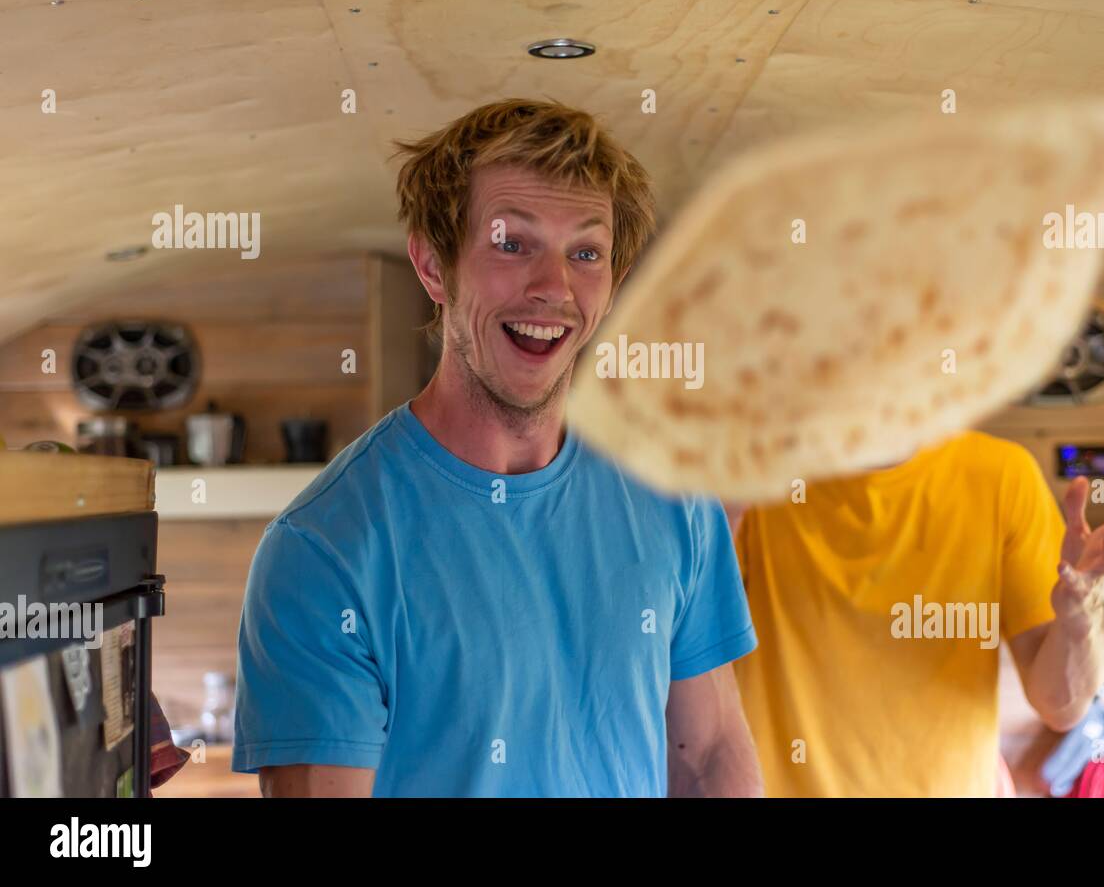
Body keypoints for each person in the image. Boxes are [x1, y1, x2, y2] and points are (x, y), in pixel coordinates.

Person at [233, 98, 761, 797]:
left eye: (586, 253)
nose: (554, 288)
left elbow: (709, 753)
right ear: (431, 264)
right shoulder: (323, 549)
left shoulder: (670, 495)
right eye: (512, 243)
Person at [728, 432, 1104, 796]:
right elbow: (687, 654)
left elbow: (1061, 706)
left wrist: (1079, 617)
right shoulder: (754, 481)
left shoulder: (1000, 475)